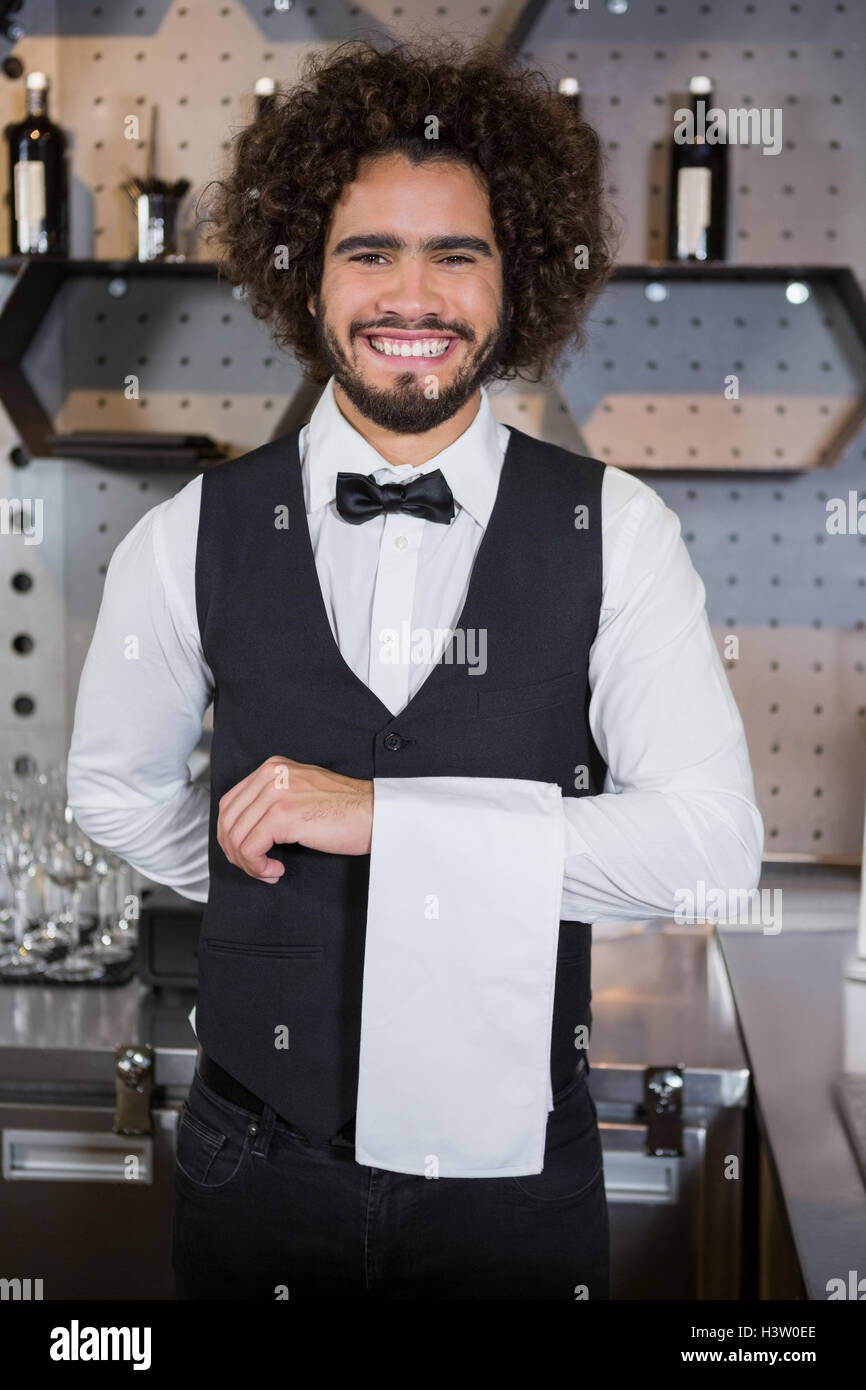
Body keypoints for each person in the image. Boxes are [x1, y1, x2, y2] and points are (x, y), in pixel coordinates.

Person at [67, 37, 763, 1301]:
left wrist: (385, 824)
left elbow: (710, 849)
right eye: (367, 251)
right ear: (308, 279)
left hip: (513, 1182)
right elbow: (112, 789)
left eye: (457, 252)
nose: (411, 296)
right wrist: (267, 868)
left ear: (516, 281)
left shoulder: (618, 528)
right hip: (253, 1163)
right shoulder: (186, 535)